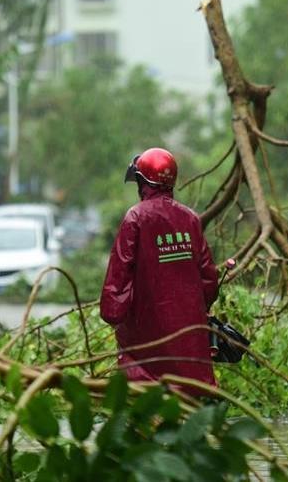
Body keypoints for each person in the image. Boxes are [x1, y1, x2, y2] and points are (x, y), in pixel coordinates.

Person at [100, 147, 219, 395]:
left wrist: (113, 313)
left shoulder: (135, 218)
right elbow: (208, 280)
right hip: (190, 340)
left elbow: (118, 279)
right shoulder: (191, 219)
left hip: (145, 340)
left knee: (147, 403)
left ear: (142, 182)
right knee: (192, 400)